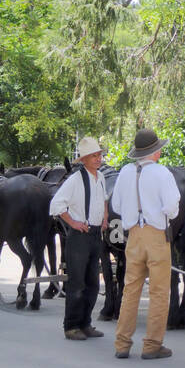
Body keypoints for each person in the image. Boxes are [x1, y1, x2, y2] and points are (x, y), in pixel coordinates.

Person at [110, 127, 180, 360]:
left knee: (131, 290)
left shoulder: (125, 173)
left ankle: (122, 344)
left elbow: (116, 207)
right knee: (159, 292)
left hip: (133, 235)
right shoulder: (163, 174)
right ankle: (151, 345)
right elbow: (172, 207)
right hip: (156, 234)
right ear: (156, 152)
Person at [50, 137, 109, 340]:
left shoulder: (100, 177)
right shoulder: (75, 180)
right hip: (79, 236)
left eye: (99, 155)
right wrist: (73, 223)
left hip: (95, 235)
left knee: (92, 282)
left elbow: (103, 199)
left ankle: (86, 323)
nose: (98, 159)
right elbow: (56, 204)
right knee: (77, 283)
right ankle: (71, 326)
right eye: (94, 155)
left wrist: (104, 218)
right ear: (83, 159)